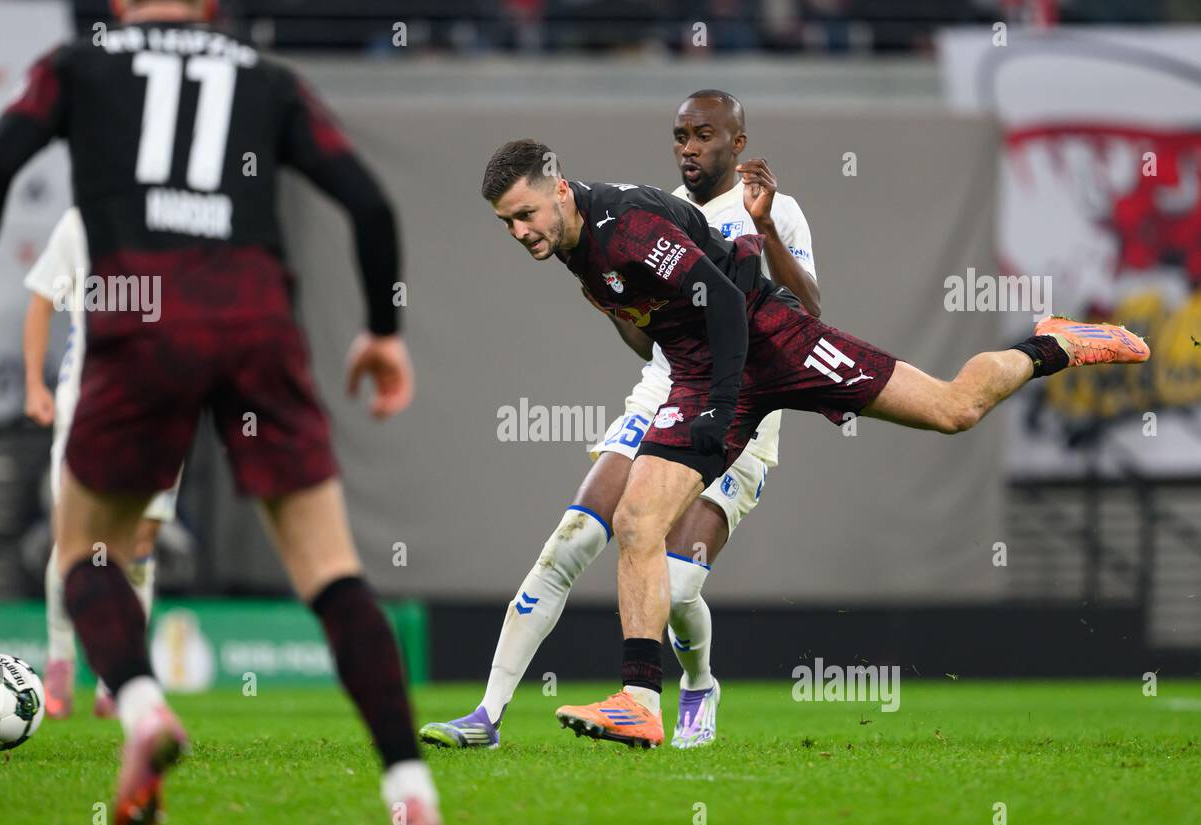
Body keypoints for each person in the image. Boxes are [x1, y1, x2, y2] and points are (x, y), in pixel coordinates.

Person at [0, 0, 446, 825]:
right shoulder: (265, 75)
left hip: (140, 317)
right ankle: (411, 792)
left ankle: (139, 706)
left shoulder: (83, 65)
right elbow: (368, 203)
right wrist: (383, 333)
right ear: (212, 4)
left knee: (85, 552)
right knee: (331, 571)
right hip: (254, 317)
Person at [480, 138, 1150, 748]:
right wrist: (704, 380)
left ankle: (1057, 342)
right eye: (508, 223)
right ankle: (638, 699)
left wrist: (716, 404)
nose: (520, 231)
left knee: (954, 408)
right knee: (637, 519)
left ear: (559, 189)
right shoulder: (574, 249)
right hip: (703, 370)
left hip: (771, 342)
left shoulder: (623, 228)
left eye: (526, 213)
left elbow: (724, 302)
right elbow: (678, 309)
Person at [420, 90, 818, 749]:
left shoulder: (775, 213)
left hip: (742, 404)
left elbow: (807, 316)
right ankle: (486, 715)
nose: (688, 147)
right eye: (680, 135)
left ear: (737, 144)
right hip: (664, 393)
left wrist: (767, 229)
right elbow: (652, 340)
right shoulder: (654, 213)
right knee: (573, 537)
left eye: (704, 135)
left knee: (679, 581)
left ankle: (698, 682)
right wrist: (619, 308)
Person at [22, 206, 181, 719]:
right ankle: (60, 659)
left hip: (161, 405)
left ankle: (120, 670)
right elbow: (43, 300)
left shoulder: (179, 218)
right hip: (85, 405)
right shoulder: (80, 220)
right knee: (75, 537)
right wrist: (33, 386)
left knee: (140, 541)